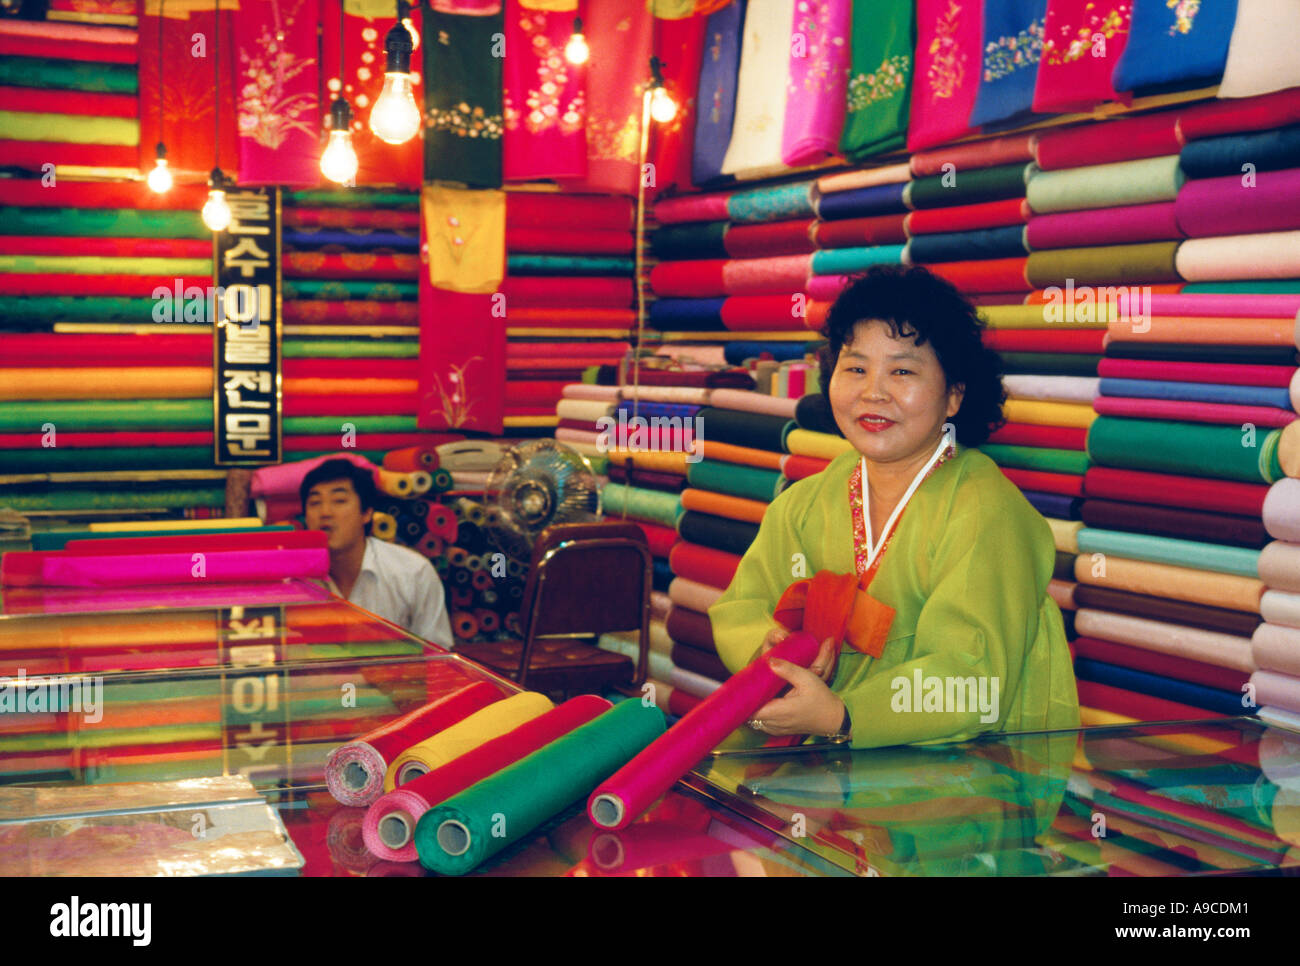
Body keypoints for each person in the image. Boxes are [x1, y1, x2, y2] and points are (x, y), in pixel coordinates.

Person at [709, 265, 1079, 749]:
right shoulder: (802, 502)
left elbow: (971, 677)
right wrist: (767, 646)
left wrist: (846, 715)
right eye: (856, 368)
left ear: (954, 396)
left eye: (902, 370)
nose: (873, 392)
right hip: (823, 775)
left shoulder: (987, 512)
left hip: (957, 779)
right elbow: (742, 606)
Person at [301, 458, 453, 646]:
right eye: (315, 502)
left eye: (339, 501)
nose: (325, 512)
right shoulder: (295, 580)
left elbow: (439, 655)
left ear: (366, 513)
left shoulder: (413, 572)